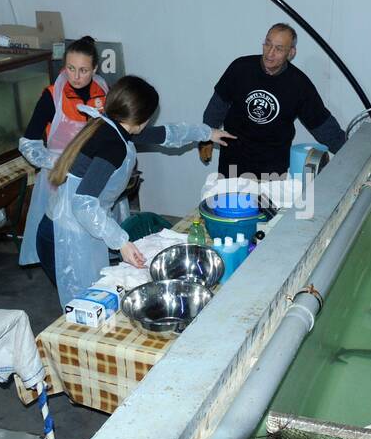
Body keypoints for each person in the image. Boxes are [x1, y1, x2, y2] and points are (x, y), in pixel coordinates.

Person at [42, 75, 233, 305]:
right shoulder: (112, 145)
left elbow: (165, 134)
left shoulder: (114, 125)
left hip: (76, 224)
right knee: (85, 304)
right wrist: (121, 242)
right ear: (141, 119)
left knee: (98, 298)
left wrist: (206, 133)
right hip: (65, 233)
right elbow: (83, 203)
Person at [202, 23, 347, 181]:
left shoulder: (299, 85)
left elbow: (323, 127)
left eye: (278, 49)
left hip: (272, 169)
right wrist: (206, 137)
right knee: (230, 205)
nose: (270, 53)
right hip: (233, 162)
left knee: (267, 206)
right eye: (267, 44)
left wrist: (351, 153)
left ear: (291, 53)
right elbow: (216, 107)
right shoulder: (240, 69)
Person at [18, 37, 109, 268]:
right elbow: (28, 142)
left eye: (83, 70)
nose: (76, 77)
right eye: (70, 68)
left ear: (95, 69)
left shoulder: (104, 94)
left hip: (94, 178)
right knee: (62, 246)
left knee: (95, 241)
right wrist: (59, 162)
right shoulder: (52, 97)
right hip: (58, 180)